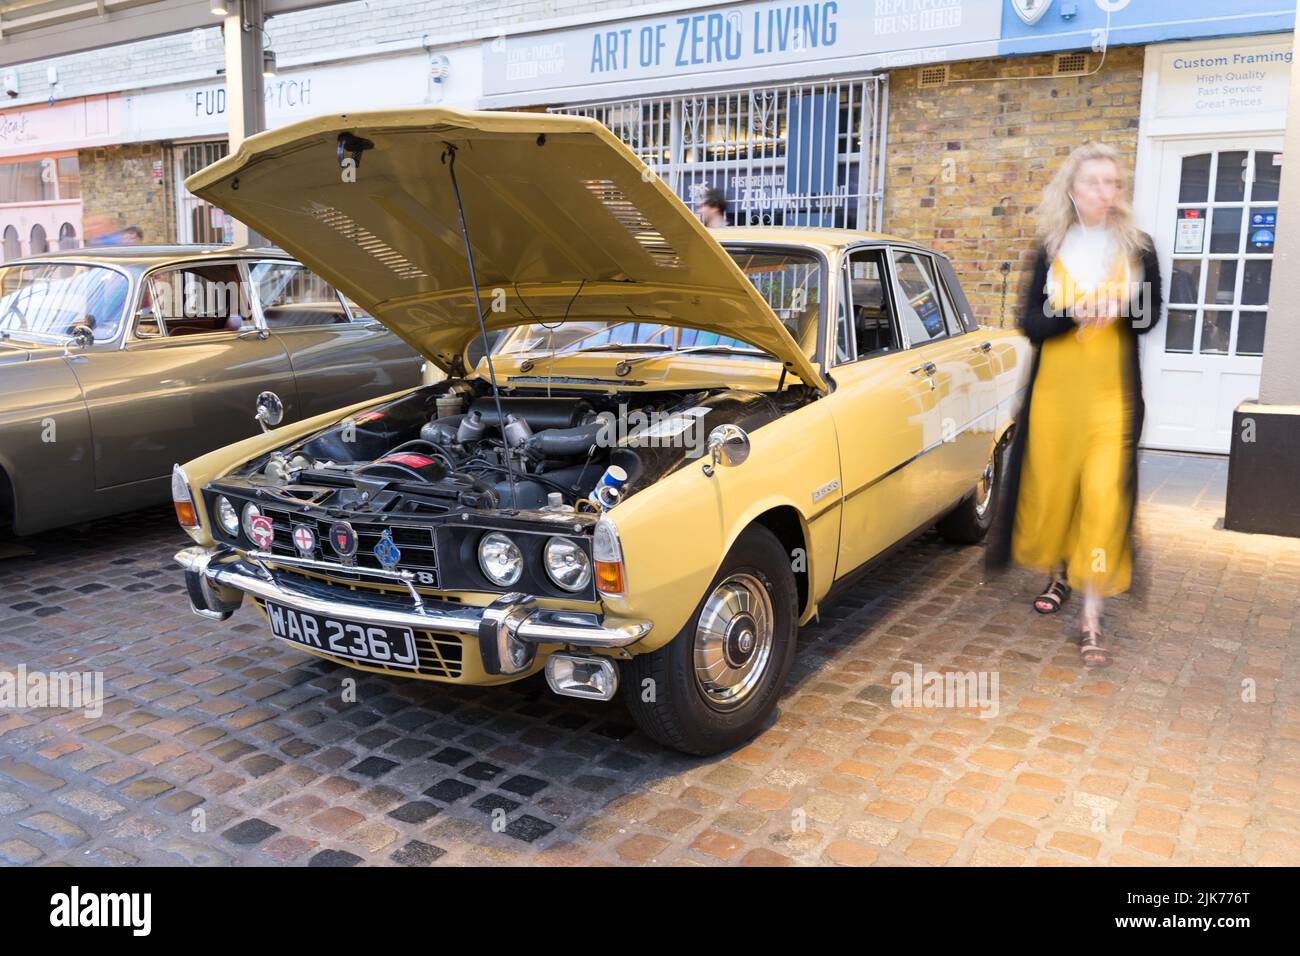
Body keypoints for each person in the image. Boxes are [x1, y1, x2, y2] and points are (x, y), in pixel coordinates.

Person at [986, 141, 1163, 667]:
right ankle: (1060, 572)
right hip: (1057, 399)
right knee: (1056, 493)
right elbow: (1031, 325)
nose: (1104, 192)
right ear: (1072, 189)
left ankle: (1091, 617)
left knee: (1105, 498)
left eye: (1113, 183)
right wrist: (1073, 313)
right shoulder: (1051, 247)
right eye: (1093, 182)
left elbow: (1151, 315)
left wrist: (1121, 308)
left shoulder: (1138, 247)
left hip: (1112, 399)